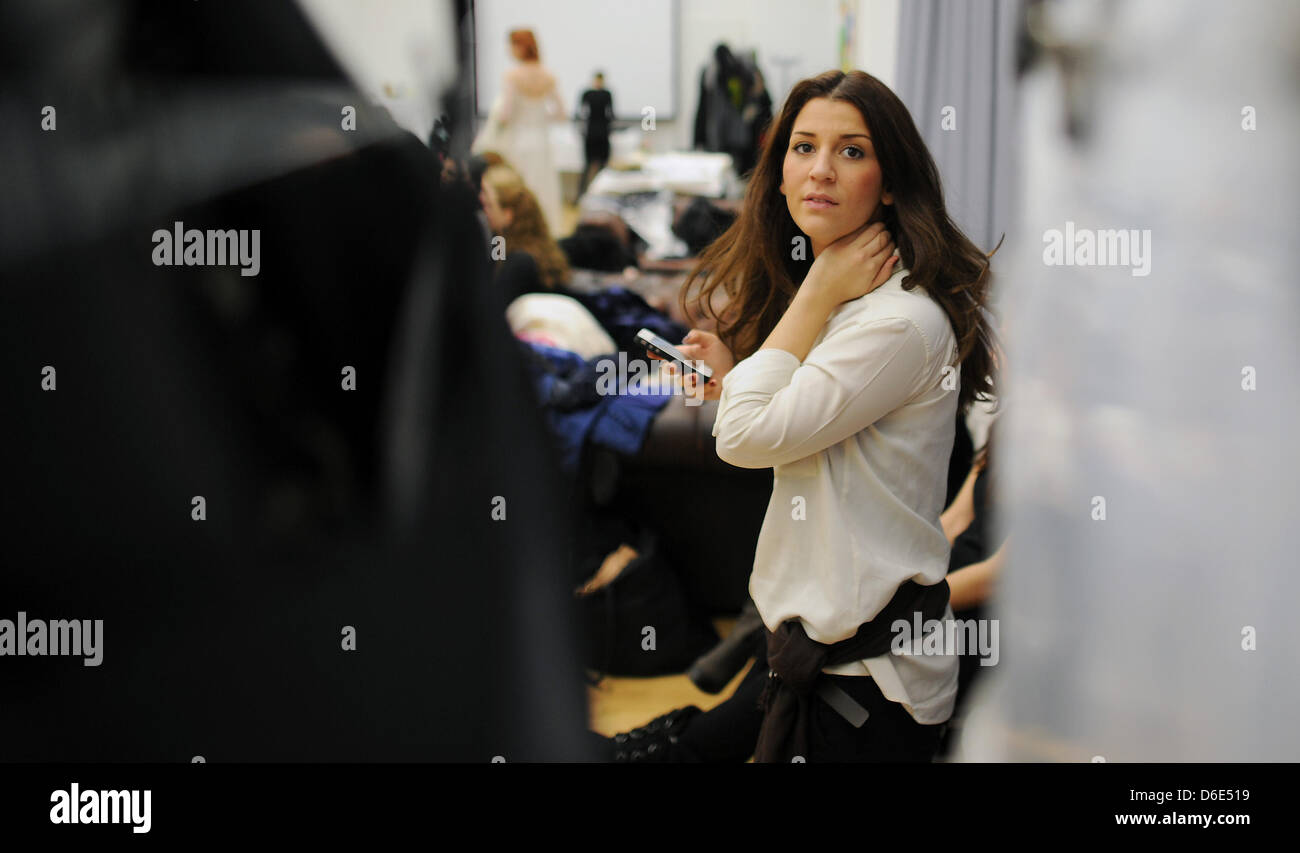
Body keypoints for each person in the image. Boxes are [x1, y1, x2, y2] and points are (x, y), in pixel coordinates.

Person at [673, 69, 999, 763]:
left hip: (867, 686)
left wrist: (816, 289)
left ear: (889, 182)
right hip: (818, 659)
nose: (820, 169)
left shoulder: (893, 321)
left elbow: (744, 439)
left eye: (851, 150)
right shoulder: (859, 305)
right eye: (803, 147)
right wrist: (737, 382)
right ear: (780, 173)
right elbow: (805, 429)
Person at [494, 28, 566, 237]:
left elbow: (505, 115)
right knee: (543, 188)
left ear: (521, 47)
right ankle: (544, 232)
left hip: (519, 142)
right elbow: (561, 114)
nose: (509, 50)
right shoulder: (548, 76)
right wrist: (541, 119)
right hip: (541, 142)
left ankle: (522, 233)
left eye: (512, 45)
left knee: (521, 188)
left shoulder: (513, 76)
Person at [480, 163, 572, 304]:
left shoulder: (521, 261)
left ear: (508, 214)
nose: (484, 212)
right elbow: (493, 274)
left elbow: (495, 303)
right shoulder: (502, 239)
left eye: (489, 206)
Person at [577, 71, 615, 197]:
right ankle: (581, 195)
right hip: (591, 134)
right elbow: (581, 113)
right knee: (588, 166)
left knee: (602, 166)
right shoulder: (587, 94)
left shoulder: (607, 94)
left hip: (602, 133)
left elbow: (611, 114)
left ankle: (600, 194)